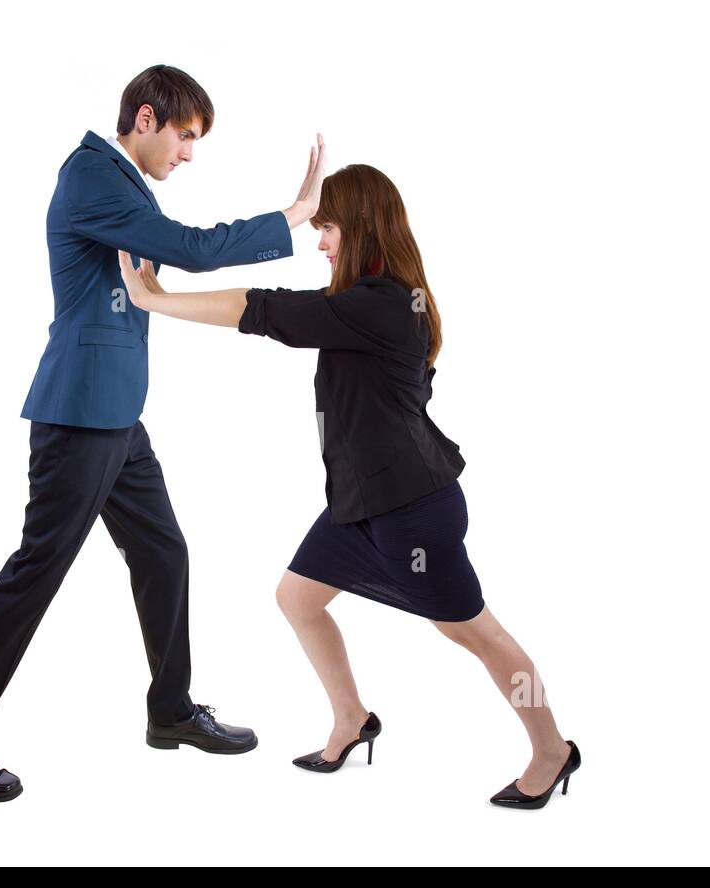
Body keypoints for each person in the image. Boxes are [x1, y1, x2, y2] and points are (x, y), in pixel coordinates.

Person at [0, 64, 329, 802]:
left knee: (164, 552)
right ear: (146, 118)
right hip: (78, 418)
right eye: (185, 136)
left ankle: (170, 709)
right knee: (37, 574)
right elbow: (194, 248)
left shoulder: (125, 185)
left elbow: (154, 276)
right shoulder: (92, 175)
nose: (189, 154)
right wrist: (296, 213)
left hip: (116, 417)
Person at [115, 163, 582, 809]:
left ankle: (552, 750)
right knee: (299, 597)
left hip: (414, 512)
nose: (320, 239)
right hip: (361, 505)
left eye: (327, 225)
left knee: (476, 633)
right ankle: (351, 719)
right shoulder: (373, 301)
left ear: (361, 224)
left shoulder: (381, 304)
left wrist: (155, 302)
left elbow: (264, 310)